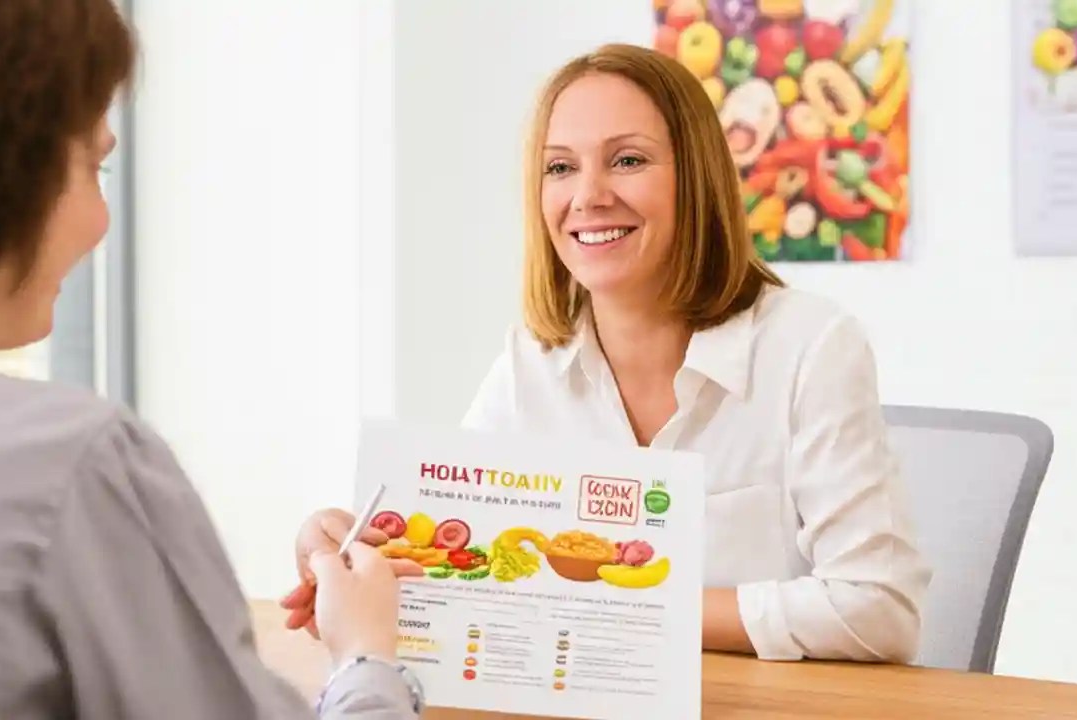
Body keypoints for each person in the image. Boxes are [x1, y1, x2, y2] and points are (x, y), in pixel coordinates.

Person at [289, 43, 931, 664]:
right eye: (560, 167)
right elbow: (463, 573)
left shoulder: (811, 347)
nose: (587, 195)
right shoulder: (529, 365)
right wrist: (351, 557)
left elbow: (879, 609)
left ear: (697, 177)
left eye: (627, 161)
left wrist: (628, 604)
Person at [0, 1, 422, 717]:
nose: (101, 222)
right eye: (95, 163)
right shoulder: (68, 463)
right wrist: (367, 659)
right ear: (8, 170)